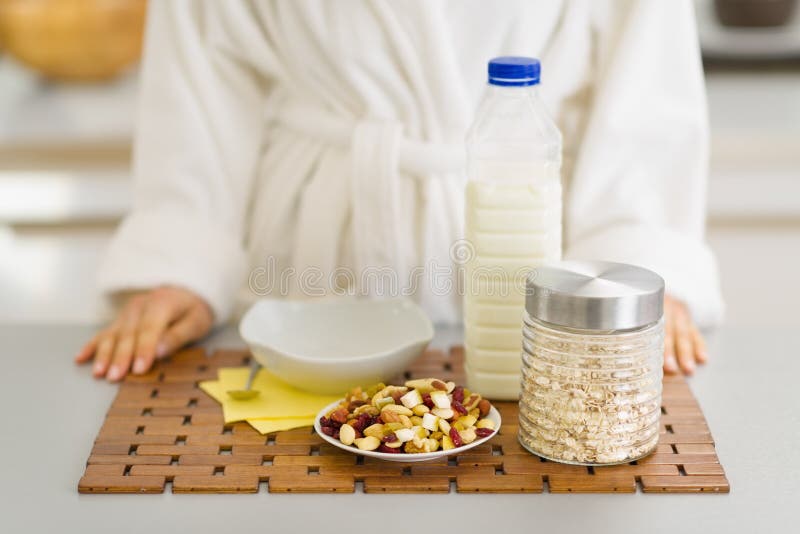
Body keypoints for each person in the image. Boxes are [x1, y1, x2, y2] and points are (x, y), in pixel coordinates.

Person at [75, 0, 723, 382]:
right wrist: (184, 254)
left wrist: (635, 265)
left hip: (520, 243)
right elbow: (202, 68)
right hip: (306, 257)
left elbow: (645, 77)